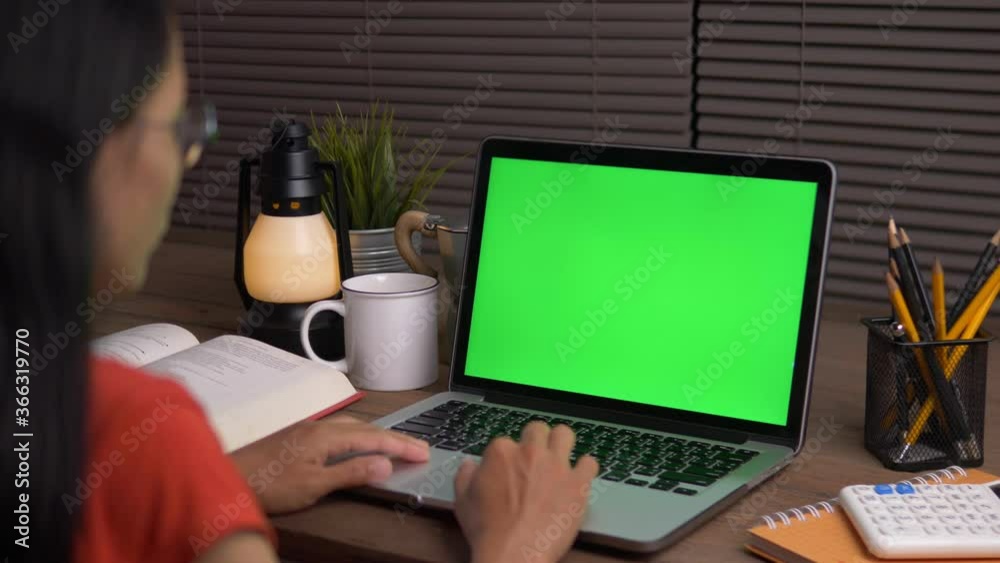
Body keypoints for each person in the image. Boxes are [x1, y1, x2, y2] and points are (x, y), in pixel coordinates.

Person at [0, 1, 600, 563]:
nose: (186, 160)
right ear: (101, 149)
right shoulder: (137, 425)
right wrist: (519, 541)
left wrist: (217, 481)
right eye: (181, 129)